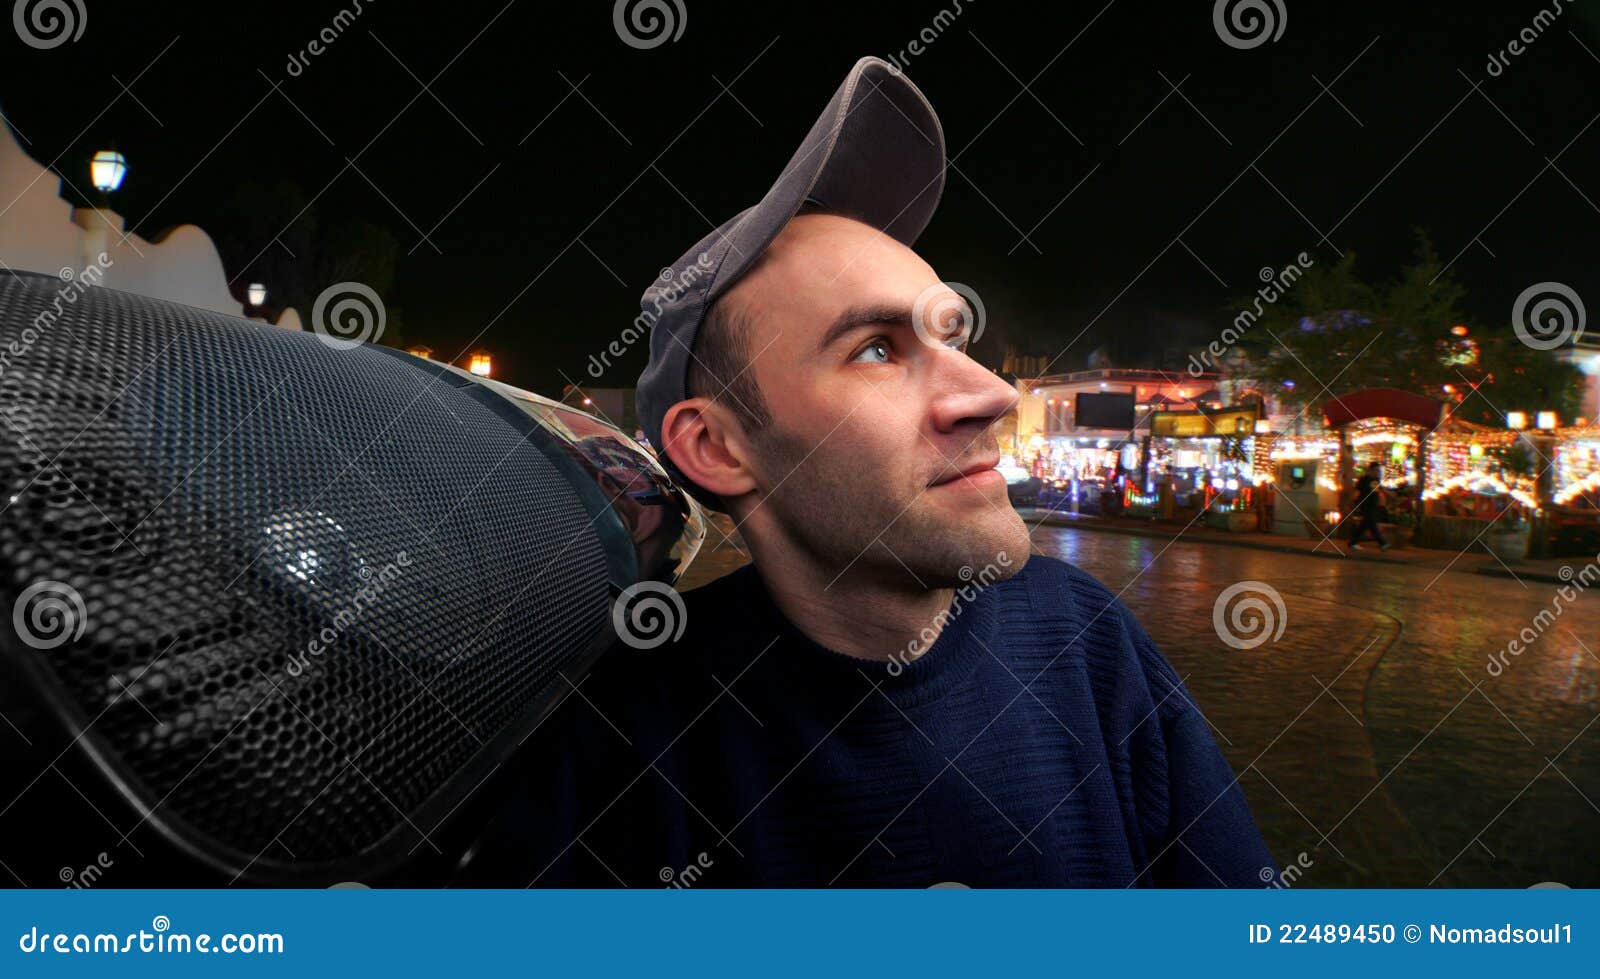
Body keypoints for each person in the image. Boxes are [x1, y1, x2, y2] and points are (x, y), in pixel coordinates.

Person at [475, 57, 1273, 888]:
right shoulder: (624, 736)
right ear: (715, 447)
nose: (992, 394)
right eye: (877, 350)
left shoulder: (1086, 640)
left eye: (952, 339)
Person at [1348, 461, 1389, 551]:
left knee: (1366, 524)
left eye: (1378, 471)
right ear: (1371, 470)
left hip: (1373, 505)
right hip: (1365, 504)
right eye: (1376, 470)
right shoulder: (1364, 479)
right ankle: (1382, 543)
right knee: (1371, 523)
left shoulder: (1376, 480)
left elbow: (1378, 491)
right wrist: (1354, 503)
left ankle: (1353, 542)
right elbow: (1356, 491)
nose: (1378, 472)